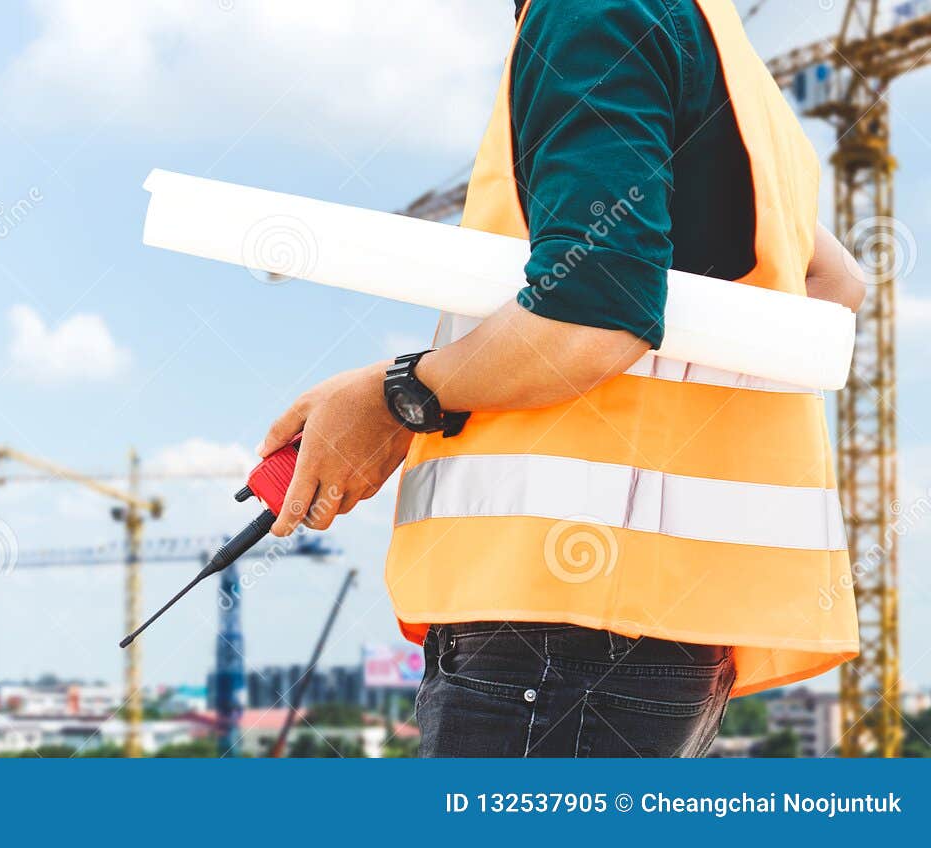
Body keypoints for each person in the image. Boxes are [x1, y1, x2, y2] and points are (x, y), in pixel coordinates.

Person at [259, 0, 864, 757]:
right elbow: (833, 282)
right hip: (666, 634)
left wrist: (399, 397)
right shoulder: (710, 38)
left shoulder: (592, 13)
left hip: (556, 631)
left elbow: (590, 319)